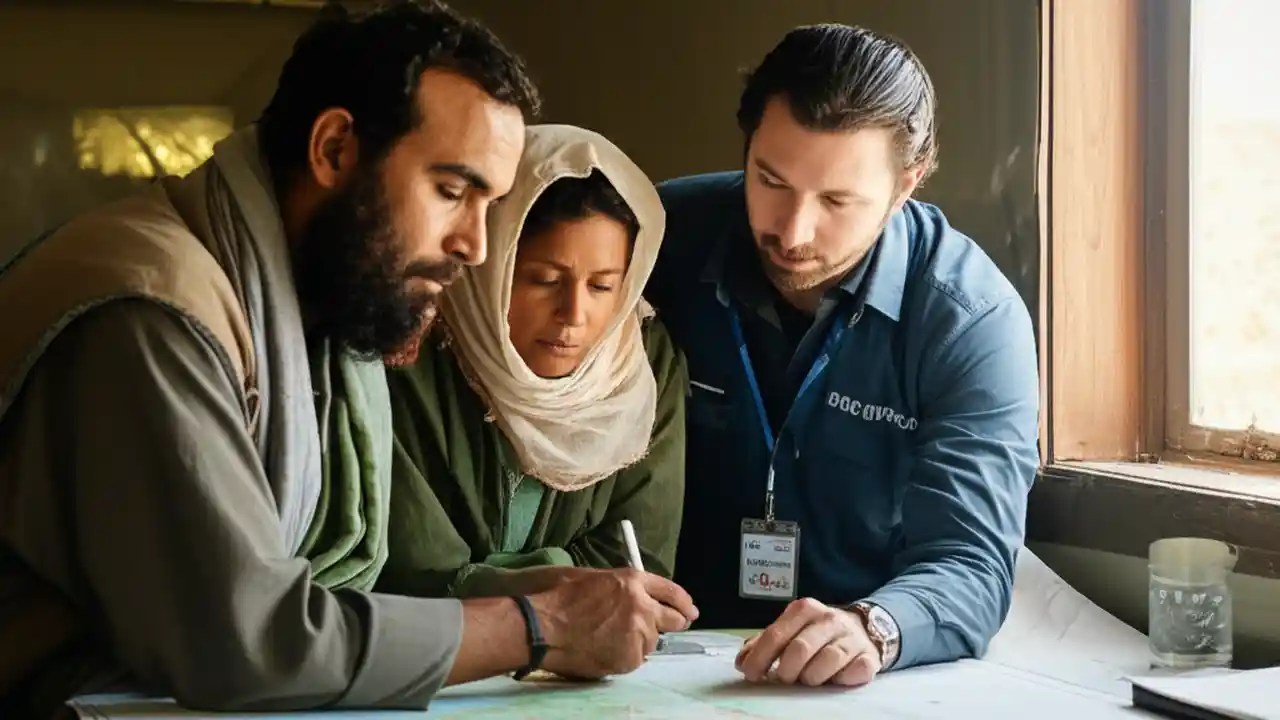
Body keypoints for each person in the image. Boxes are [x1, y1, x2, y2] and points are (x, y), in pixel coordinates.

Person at [0, 3, 694, 717]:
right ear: (334, 150)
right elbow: (247, 642)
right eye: (451, 192)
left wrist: (529, 593)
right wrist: (536, 626)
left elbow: (333, 586)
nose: (475, 245)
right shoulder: (152, 315)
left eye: (487, 204)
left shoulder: (318, 297)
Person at [646, 23, 1039, 688]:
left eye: (836, 200)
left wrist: (874, 627)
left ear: (906, 185)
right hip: (661, 655)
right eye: (769, 180)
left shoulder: (973, 321)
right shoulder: (657, 238)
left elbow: (971, 564)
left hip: (847, 673)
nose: (792, 231)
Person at [378, 124, 687, 600]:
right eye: (544, 280)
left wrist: (491, 578)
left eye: (602, 286)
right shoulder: (407, 348)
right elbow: (409, 567)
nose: (573, 314)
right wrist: (563, 577)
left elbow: (641, 564)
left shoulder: (643, 365)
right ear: (490, 268)